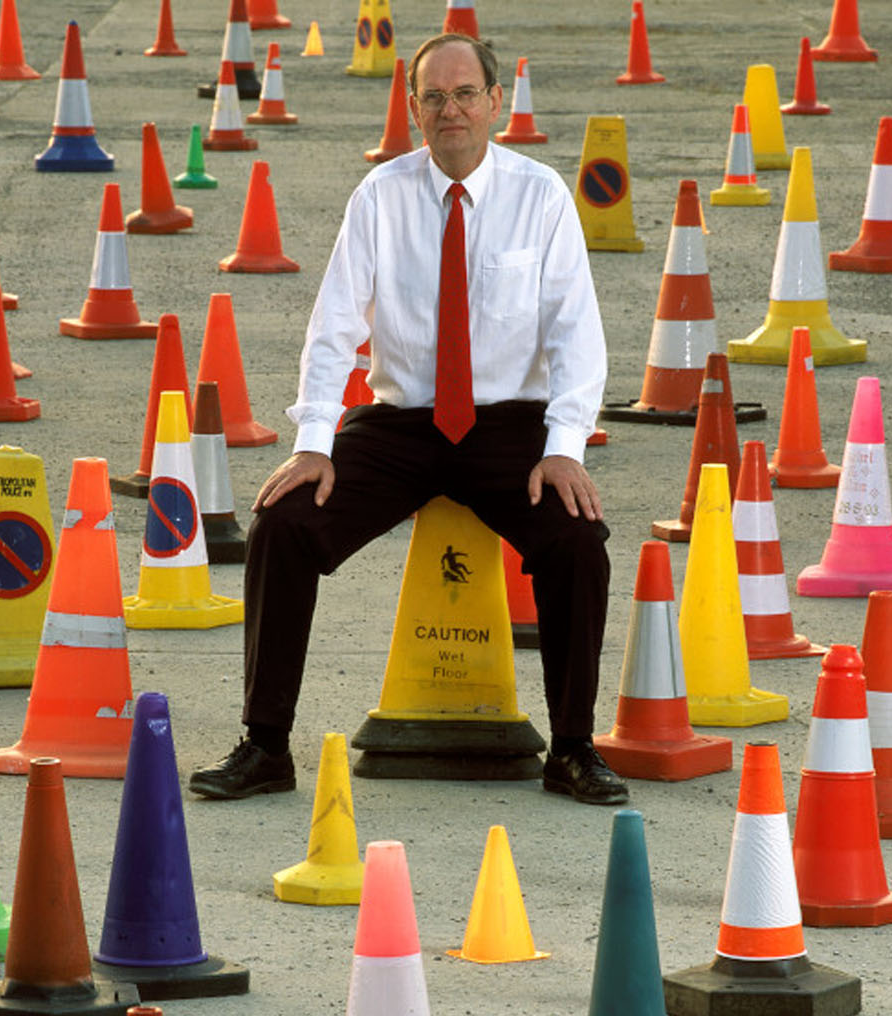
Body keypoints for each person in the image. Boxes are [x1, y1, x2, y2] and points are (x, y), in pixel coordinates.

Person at [186, 33, 627, 805]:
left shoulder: (541, 196)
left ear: (496, 102)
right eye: (433, 97)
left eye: (465, 95)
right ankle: (265, 744)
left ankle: (574, 748)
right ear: (413, 107)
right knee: (283, 523)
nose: (450, 110)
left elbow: (575, 333)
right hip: (402, 425)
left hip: (507, 425)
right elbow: (333, 328)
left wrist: (564, 447)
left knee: (578, 542)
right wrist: (314, 442)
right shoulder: (381, 196)